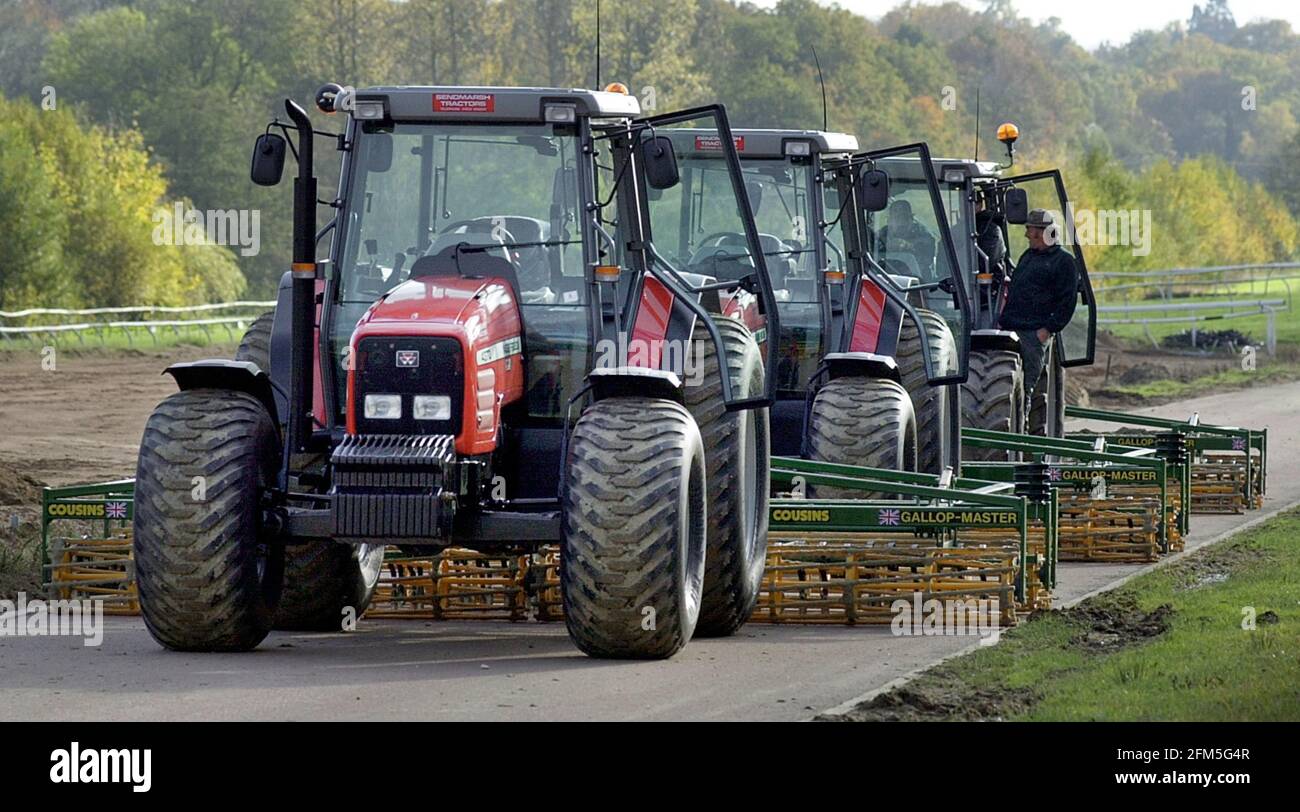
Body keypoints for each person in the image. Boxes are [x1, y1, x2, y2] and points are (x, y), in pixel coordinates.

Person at [998, 208, 1079, 407]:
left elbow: (1067, 302)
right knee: (1008, 388)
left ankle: (1023, 432)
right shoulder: (1029, 256)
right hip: (1011, 329)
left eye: (1029, 229)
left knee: (1026, 389)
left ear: (1043, 231)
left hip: (1033, 334)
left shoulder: (1064, 262)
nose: (1026, 234)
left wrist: (1046, 330)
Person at [877, 199, 937, 277]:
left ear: (912, 220)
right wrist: (886, 248)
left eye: (905, 218)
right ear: (889, 221)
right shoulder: (879, 237)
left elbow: (927, 260)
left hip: (919, 282)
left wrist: (910, 247)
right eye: (897, 218)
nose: (901, 222)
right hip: (884, 281)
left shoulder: (923, 236)